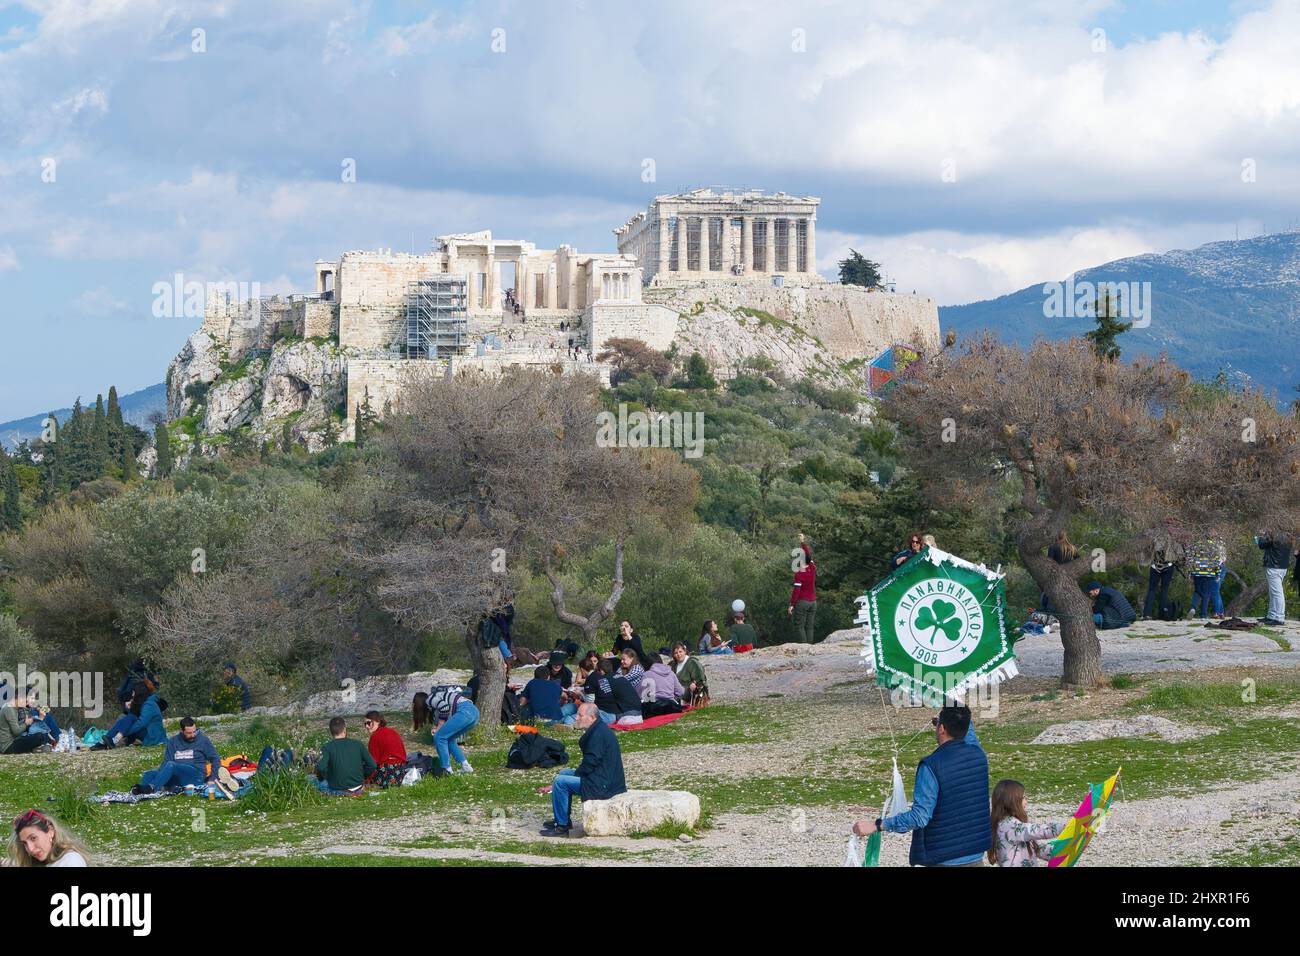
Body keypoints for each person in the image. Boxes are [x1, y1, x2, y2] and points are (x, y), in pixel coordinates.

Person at [852, 705, 991, 867]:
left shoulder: (931, 766)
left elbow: (920, 817)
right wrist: (950, 713)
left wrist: (877, 826)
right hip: (975, 855)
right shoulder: (978, 753)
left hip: (944, 859)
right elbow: (966, 726)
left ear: (942, 729)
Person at [540, 703, 627, 837]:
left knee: (560, 782)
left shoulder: (598, 734)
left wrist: (572, 776)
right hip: (603, 777)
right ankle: (563, 819)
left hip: (603, 784)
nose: (577, 718)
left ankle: (561, 828)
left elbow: (590, 763)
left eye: (580, 715)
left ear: (592, 717)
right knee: (564, 773)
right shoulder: (598, 729)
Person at [133, 717, 220, 794]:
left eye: (194, 731)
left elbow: (215, 759)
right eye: (189, 733)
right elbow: (166, 761)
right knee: (149, 774)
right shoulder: (173, 741)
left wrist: (212, 779)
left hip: (196, 776)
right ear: (182, 731)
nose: (193, 735)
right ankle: (143, 791)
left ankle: (153, 788)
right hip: (177, 775)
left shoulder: (203, 740)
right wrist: (160, 775)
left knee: (172, 765)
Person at [988, 779, 1063, 867]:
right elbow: (1036, 830)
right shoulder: (1008, 825)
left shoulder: (1012, 824)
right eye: (1023, 798)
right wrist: (1064, 827)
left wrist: (1063, 850)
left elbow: (1037, 849)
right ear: (1012, 800)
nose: (1026, 802)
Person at [315, 717, 377, 795]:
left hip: (338, 789)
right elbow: (372, 765)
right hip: (359, 788)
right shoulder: (358, 744)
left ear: (331, 732)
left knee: (312, 780)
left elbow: (321, 768)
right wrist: (362, 775)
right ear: (344, 729)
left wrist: (329, 777)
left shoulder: (327, 747)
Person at [428, 684, 479, 774]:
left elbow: (444, 708)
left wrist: (438, 728)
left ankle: (446, 769)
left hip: (464, 711)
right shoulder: (441, 696)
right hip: (474, 712)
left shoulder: (429, 699)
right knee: (450, 738)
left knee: (439, 737)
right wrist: (438, 727)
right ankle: (466, 767)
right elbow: (446, 713)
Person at [9, 809, 89, 867]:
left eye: (33, 838)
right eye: (25, 843)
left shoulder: (71, 861)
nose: (30, 849)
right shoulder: (40, 861)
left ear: (51, 831)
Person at [1140, 520, 1184, 620]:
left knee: (1151, 590)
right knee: (1164, 590)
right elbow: (1180, 554)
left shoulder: (1153, 535)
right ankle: (1163, 613)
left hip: (1155, 566)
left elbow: (1147, 550)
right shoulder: (1173, 537)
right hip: (1168, 565)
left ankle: (1147, 614)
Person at [104, 682, 166, 747]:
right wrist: (129, 707)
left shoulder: (149, 705)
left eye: (133, 692)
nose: (133, 695)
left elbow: (141, 723)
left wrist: (124, 732)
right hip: (148, 732)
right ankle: (111, 739)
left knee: (128, 719)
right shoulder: (145, 702)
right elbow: (135, 715)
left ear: (139, 692)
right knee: (125, 718)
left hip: (153, 737)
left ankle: (114, 738)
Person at [586, 659, 643, 726]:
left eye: (597, 671)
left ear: (601, 671)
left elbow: (603, 700)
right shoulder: (619, 676)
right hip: (639, 711)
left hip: (626, 714)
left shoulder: (604, 680)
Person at [1187, 533, 1227, 620]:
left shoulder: (1195, 545)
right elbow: (1217, 561)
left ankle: (1192, 607)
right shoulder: (1214, 546)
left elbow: (1189, 558)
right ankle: (1203, 615)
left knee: (1197, 591)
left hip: (1197, 572)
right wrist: (1218, 574)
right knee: (1206, 594)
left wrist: (1190, 573)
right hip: (1209, 573)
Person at [1256, 529, 1292, 625]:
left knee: (1277, 593)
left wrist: (1261, 536)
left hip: (1273, 567)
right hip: (1282, 567)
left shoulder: (1274, 536)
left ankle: (1279, 617)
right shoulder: (1287, 536)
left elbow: (1261, 545)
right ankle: (1272, 615)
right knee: (1274, 593)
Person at [363, 710, 408, 787]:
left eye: (368, 723)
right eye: (365, 724)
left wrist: (367, 779)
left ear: (377, 721)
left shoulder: (375, 737)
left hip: (386, 772)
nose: (367, 726)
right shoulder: (393, 732)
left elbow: (373, 762)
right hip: (400, 772)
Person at [789, 536, 817, 644]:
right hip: (813, 602)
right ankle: (810, 645)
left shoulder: (799, 574)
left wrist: (791, 605)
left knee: (799, 625)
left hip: (802, 602)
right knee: (809, 626)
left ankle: (804, 646)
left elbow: (797, 591)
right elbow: (808, 555)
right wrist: (802, 542)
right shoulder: (812, 568)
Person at [641, 653, 684, 718]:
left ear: (647, 664)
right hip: (671, 707)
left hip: (654, 708)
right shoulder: (671, 673)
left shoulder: (647, 674)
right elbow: (681, 692)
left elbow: (640, 695)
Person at [671, 641, 708, 706]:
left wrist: (694, 683)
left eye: (680, 652)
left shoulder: (692, 663)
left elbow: (701, 680)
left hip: (690, 692)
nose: (678, 654)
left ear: (684, 651)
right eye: (676, 653)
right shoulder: (673, 665)